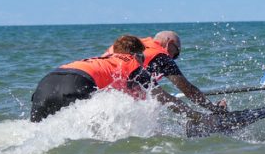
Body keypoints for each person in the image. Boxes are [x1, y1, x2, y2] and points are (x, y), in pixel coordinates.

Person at [30, 35, 203, 123]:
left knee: (36, 133)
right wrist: (196, 116)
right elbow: (165, 98)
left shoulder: (105, 60)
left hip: (46, 82)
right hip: (78, 82)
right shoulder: (133, 63)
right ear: (137, 54)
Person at [105, 31, 227, 112]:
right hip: (120, 101)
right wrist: (213, 108)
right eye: (176, 54)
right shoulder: (160, 55)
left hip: (102, 93)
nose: (173, 58)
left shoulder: (127, 45)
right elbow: (188, 90)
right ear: (170, 44)